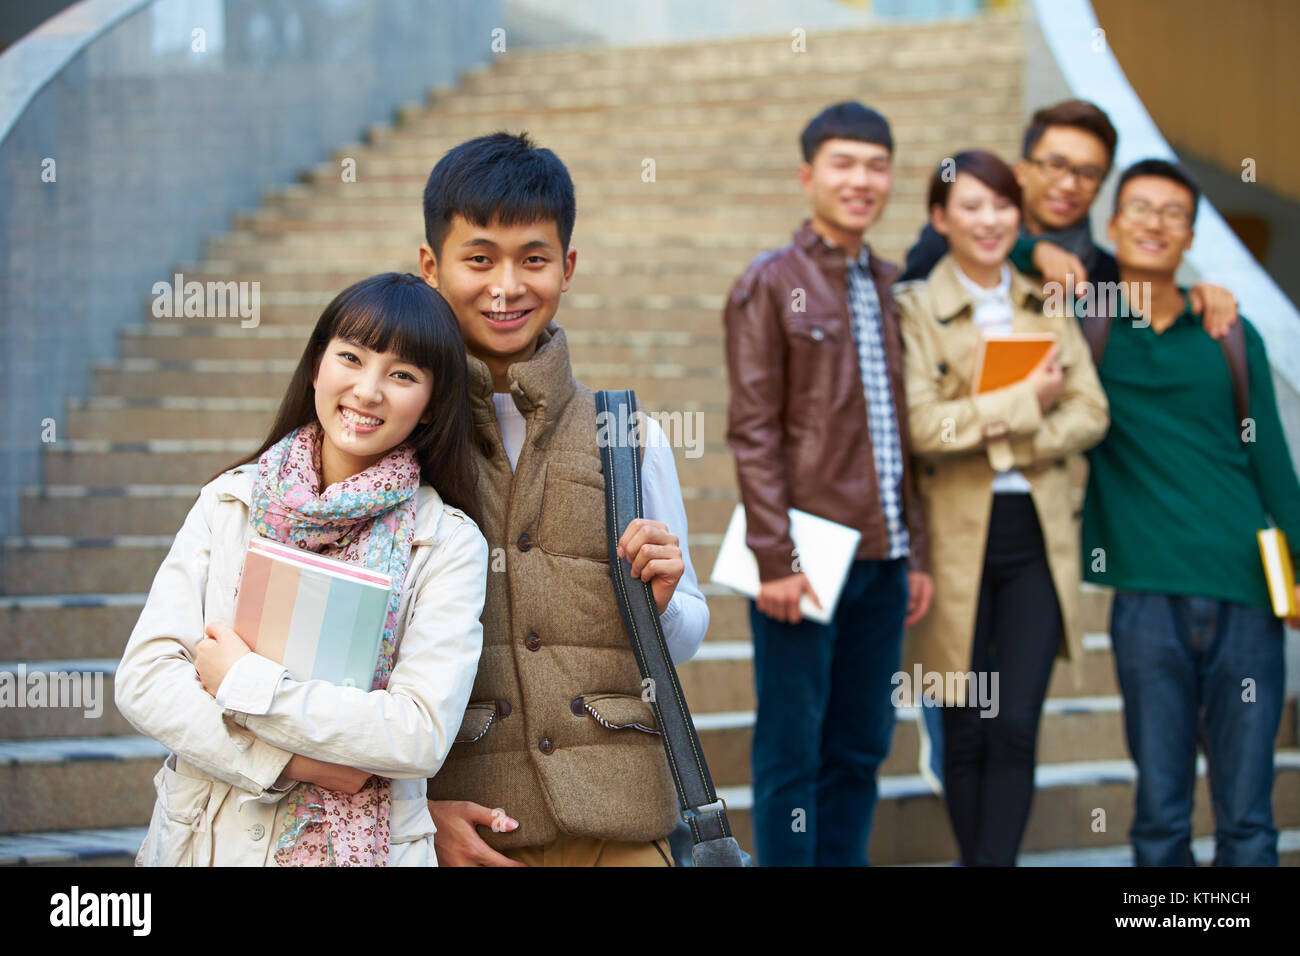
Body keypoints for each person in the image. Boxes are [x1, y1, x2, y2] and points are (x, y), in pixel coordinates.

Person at [115, 273, 490, 866]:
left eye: (402, 375)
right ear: (317, 365)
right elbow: (145, 679)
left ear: (431, 406)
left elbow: (417, 732)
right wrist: (296, 762)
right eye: (351, 357)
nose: (368, 391)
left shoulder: (446, 543)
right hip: (206, 842)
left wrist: (243, 684)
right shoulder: (230, 503)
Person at [418, 132, 710, 867]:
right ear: (431, 267)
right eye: (479, 258)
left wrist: (667, 600)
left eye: (534, 259)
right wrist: (412, 815)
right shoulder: (404, 438)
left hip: (622, 831)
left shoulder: (628, 434)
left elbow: (680, 640)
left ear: (568, 267)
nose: (507, 286)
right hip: (472, 834)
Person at [723, 101, 933, 867]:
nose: (862, 180)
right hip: (806, 551)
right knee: (792, 748)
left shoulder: (889, 280)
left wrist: (920, 551)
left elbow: (903, 430)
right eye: (844, 164)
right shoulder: (770, 284)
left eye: (877, 165)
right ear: (809, 175)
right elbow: (754, 430)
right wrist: (775, 557)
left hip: (886, 552)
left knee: (861, 744)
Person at [1082, 159, 1300, 866]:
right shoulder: (1090, 331)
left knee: (1248, 816)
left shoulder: (1228, 333)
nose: (1154, 223)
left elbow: (1273, 464)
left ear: (1191, 233)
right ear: (1112, 226)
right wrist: (1040, 248)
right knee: (1160, 814)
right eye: (1139, 208)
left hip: (1246, 593)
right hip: (1146, 600)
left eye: (1173, 212)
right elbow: (1006, 239)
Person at [895, 151, 1109, 866]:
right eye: (971, 206)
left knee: (1015, 723)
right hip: (956, 542)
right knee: (964, 727)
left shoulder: (1045, 301)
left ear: (1019, 217)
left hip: (1036, 540)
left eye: (1002, 206)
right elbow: (923, 427)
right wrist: (1025, 405)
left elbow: (1092, 409)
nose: (989, 221)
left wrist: (1008, 437)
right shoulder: (915, 306)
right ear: (939, 219)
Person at [900, 99, 1238, 337]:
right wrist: (1031, 250)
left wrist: (1200, 298)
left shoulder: (1108, 276)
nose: (1068, 185)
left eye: (1088, 173)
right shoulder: (946, 241)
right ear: (1021, 170)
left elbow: (1154, 316)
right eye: (1055, 165)